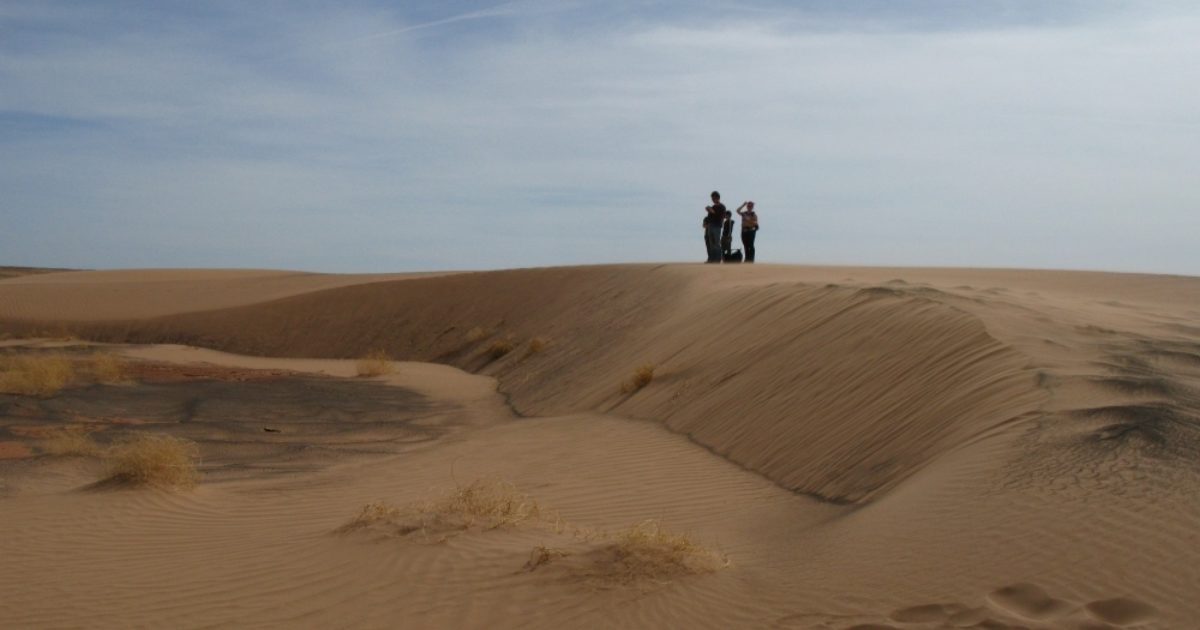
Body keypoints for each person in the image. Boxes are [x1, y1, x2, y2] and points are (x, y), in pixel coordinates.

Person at [703, 191, 726, 263]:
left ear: (718, 198)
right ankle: (711, 259)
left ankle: (717, 259)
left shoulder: (722, 206)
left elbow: (718, 215)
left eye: (714, 198)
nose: (713, 200)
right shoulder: (713, 206)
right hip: (711, 226)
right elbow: (709, 217)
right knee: (711, 244)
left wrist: (710, 209)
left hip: (717, 226)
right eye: (712, 198)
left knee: (716, 243)